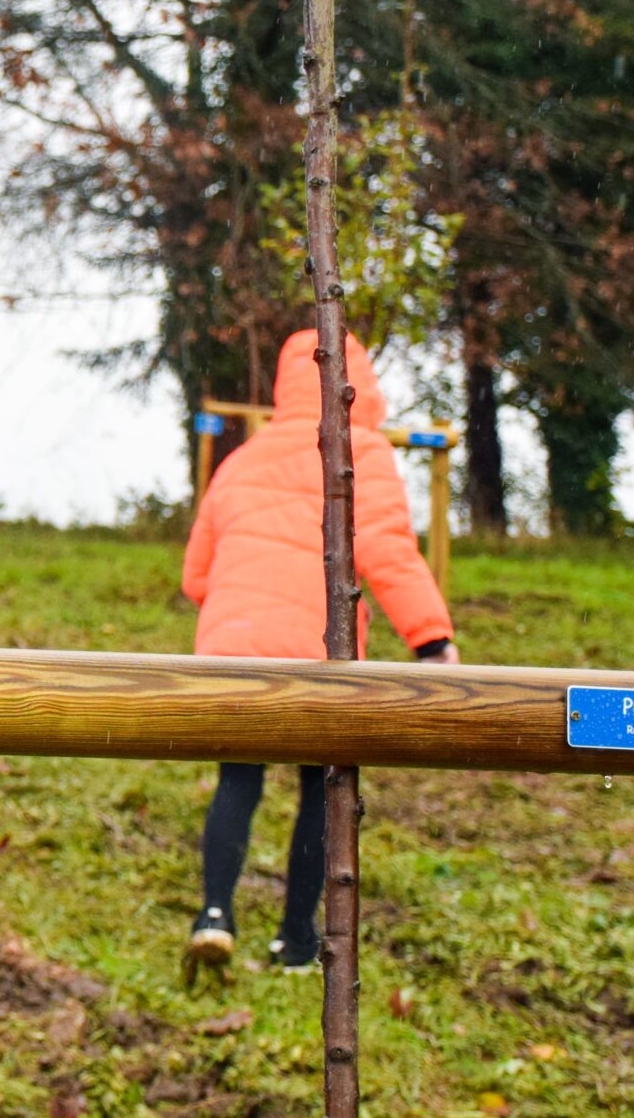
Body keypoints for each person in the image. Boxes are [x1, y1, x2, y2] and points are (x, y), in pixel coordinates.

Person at [180, 329, 460, 971]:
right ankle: (296, 939)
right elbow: (387, 551)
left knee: (237, 780)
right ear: (359, 384)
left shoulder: (244, 456)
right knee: (320, 787)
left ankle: (215, 914)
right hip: (318, 652)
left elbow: (196, 576)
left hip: (233, 651)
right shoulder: (359, 451)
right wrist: (431, 639)